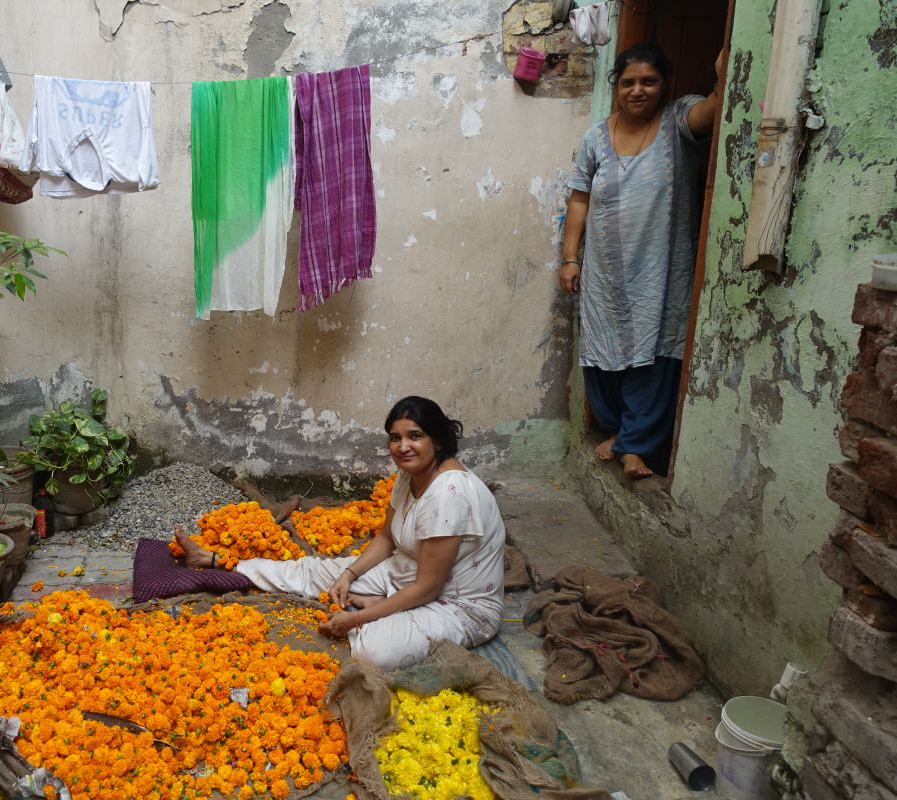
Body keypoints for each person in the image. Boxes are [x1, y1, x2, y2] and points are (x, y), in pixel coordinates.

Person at [174, 396, 506, 672]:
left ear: (436, 439)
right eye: (395, 437)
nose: (403, 447)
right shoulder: (411, 474)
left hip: (455, 605)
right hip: (404, 572)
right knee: (315, 571)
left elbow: (428, 587)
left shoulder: (449, 493)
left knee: (374, 652)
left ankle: (381, 608)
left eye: (414, 436)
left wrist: (358, 618)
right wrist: (348, 575)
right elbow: (387, 539)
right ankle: (214, 559)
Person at [559, 43, 726, 478]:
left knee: (652, 356)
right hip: (604, 271)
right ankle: (619, 429)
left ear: (663, 84)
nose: (638, 90)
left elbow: (711, 111)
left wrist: (725, 73)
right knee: (602, 358)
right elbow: (579, 200)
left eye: (648, 81)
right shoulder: (596, 135)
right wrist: (570, 258)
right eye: (628, 82)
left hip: (661, 269)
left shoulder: (677, 119)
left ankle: (636, 446)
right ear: (616, 86)